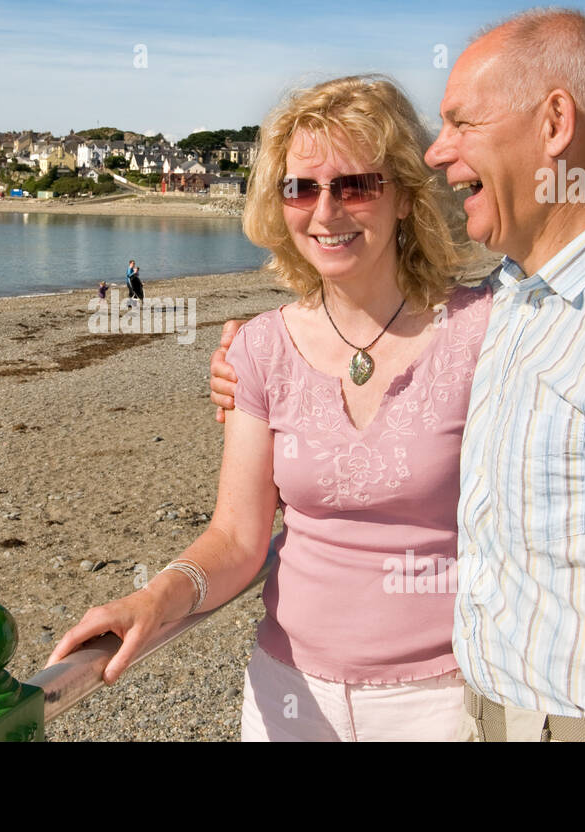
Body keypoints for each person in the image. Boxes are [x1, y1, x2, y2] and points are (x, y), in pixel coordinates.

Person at [210, 8, 585, 741]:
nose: (439, 151)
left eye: (461, 123)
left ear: (554, 123)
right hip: (491, 717)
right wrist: (242, 355)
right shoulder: (522, 300)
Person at [49, 75, 491, 740]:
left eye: (356, 184)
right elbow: (238, 537)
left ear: (403, 195)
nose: (326, 210)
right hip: (289, 695)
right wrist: (152, 599)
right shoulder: (260, 347)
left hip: (444, 700)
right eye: (301, 188)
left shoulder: (483, 331)